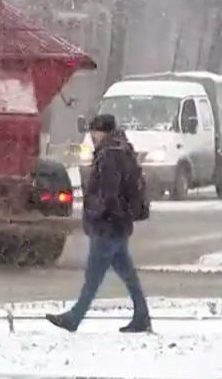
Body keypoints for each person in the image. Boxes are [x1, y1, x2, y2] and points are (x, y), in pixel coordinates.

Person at [46, 113, 152, 333]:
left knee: (93, 277)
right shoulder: (121, 149)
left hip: (108, 226)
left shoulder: (110, 155)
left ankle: (74, 318)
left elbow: (109, 193)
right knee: (127, 274)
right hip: (118, 225)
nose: (92, 136)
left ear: (103, 132)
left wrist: (97, 214)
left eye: (95, 132)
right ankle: (142, 316)